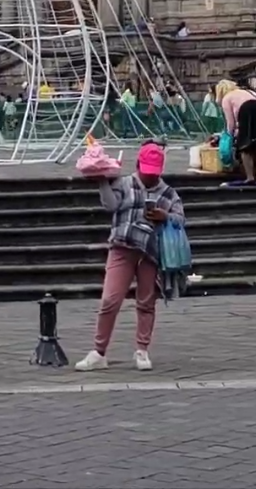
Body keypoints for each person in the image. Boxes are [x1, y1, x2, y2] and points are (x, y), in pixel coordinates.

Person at [75, 142, 184, 373]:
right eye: (147, 171)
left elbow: (180, 219)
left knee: (146, 302)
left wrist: (165, 216)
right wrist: (102, 180)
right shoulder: (124, 182)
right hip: (122, 247)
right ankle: (99, 351)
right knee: (109, 300)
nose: (150, 177)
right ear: (138, 165)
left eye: (154, 173)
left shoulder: (167, 192)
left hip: (150, 252)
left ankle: (142, 350)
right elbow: (110, 206)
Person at [216, 79, 256, 184]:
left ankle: (250, 177)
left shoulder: (227, 98)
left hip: (248, 110)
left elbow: (231, 123)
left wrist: (231, 136)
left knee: (245, 147)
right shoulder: (248, 91)